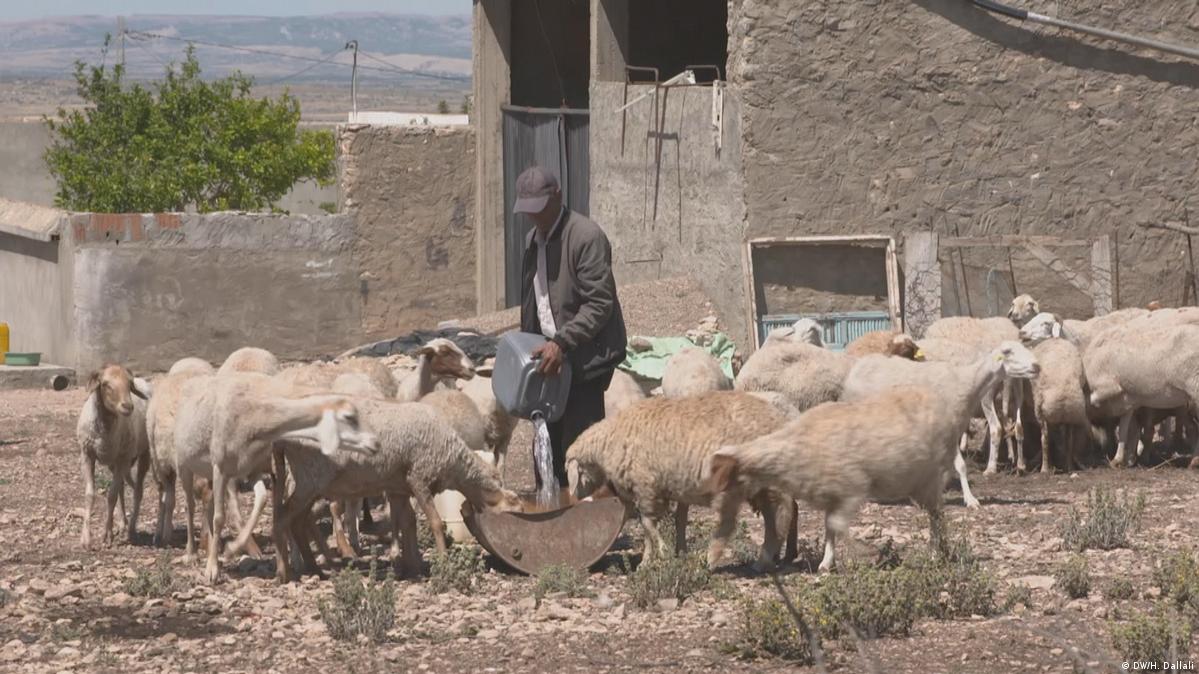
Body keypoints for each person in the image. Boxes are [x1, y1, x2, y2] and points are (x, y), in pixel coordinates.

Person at [513, 165, 627, 492]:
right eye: (530, 212)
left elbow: (600, 303)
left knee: (581, 446)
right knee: (545, 441)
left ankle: (589, 523)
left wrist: (562, 343)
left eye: (541, 209)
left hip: (584, 356)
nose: (536, 218)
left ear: (558, 196)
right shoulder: (532, 240)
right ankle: (553, 515)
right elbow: (534, 300)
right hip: (549, 355)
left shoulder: (586, 237)